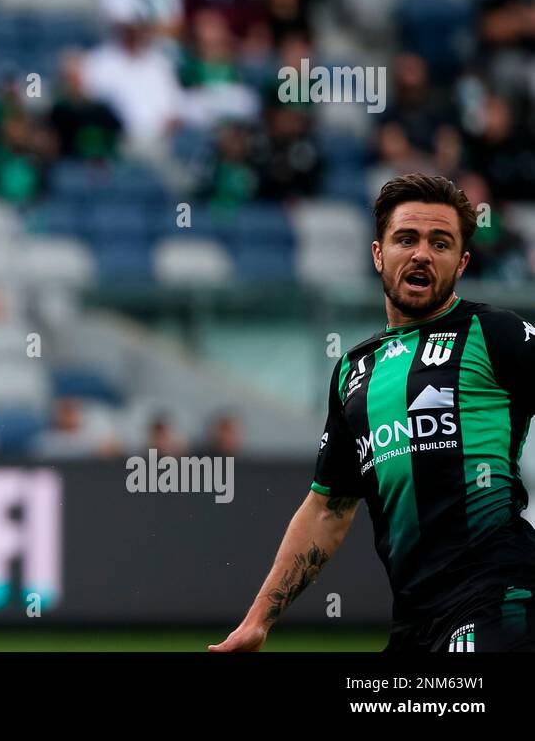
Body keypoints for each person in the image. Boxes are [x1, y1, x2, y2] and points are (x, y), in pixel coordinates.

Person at [213, 173, 535, 653]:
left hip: (498, 599)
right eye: (406, 239)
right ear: (378, 254)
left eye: (440, 243)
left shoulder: (497, 334)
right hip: (414, 622)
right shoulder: (352, 371)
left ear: (462, 262)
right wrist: (258, 620)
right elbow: (328, 508)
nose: (422, 253)